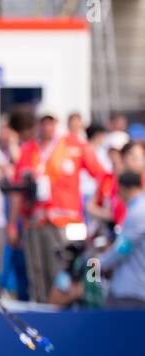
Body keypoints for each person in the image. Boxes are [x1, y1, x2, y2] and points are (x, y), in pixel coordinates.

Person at [9, 113, 108, 304]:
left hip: (67, 222)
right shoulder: (28, 150)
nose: (47, 126)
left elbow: (102, 175)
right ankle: (42, 315)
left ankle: (73, 311)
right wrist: (13, 224)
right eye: (43, 122)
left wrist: (96, 208)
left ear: (57, 123)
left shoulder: (75, 146)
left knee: (69, 271)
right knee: (37, 273)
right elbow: (17, 191)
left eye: (51, 122)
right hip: (35, 221)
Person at [101, 171, 145, 309]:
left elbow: (123, 248)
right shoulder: (137, 208)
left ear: (124, 189)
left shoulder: (138, 211)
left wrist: (97, 263)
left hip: (131, 291)